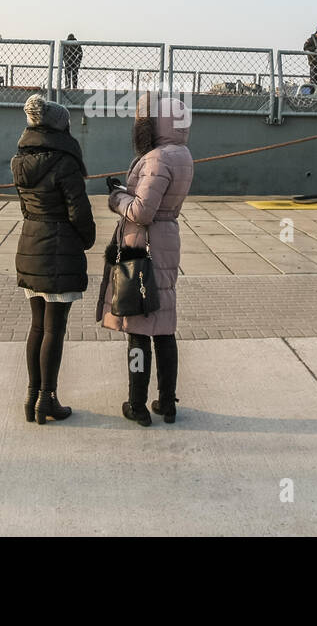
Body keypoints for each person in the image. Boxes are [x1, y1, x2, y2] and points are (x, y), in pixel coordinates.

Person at [97, 93, 194, 427]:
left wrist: (117, 197)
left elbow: (141, 211)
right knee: (164, 327)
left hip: (143, 245)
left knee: (138, 327)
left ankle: (136, 404)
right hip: (167, 243)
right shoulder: (182, 154)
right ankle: (167, 402)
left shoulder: (156, 159)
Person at [12, 94, 96, 425]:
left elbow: (25, 208)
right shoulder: (65, 163)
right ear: (60, 128)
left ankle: (32, 397)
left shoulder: (19, 160)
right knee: (54, 329)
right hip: (59, 251)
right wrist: (86, 239)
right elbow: (79, 211)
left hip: (30, 245)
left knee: (37, 326)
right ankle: (48, 400)